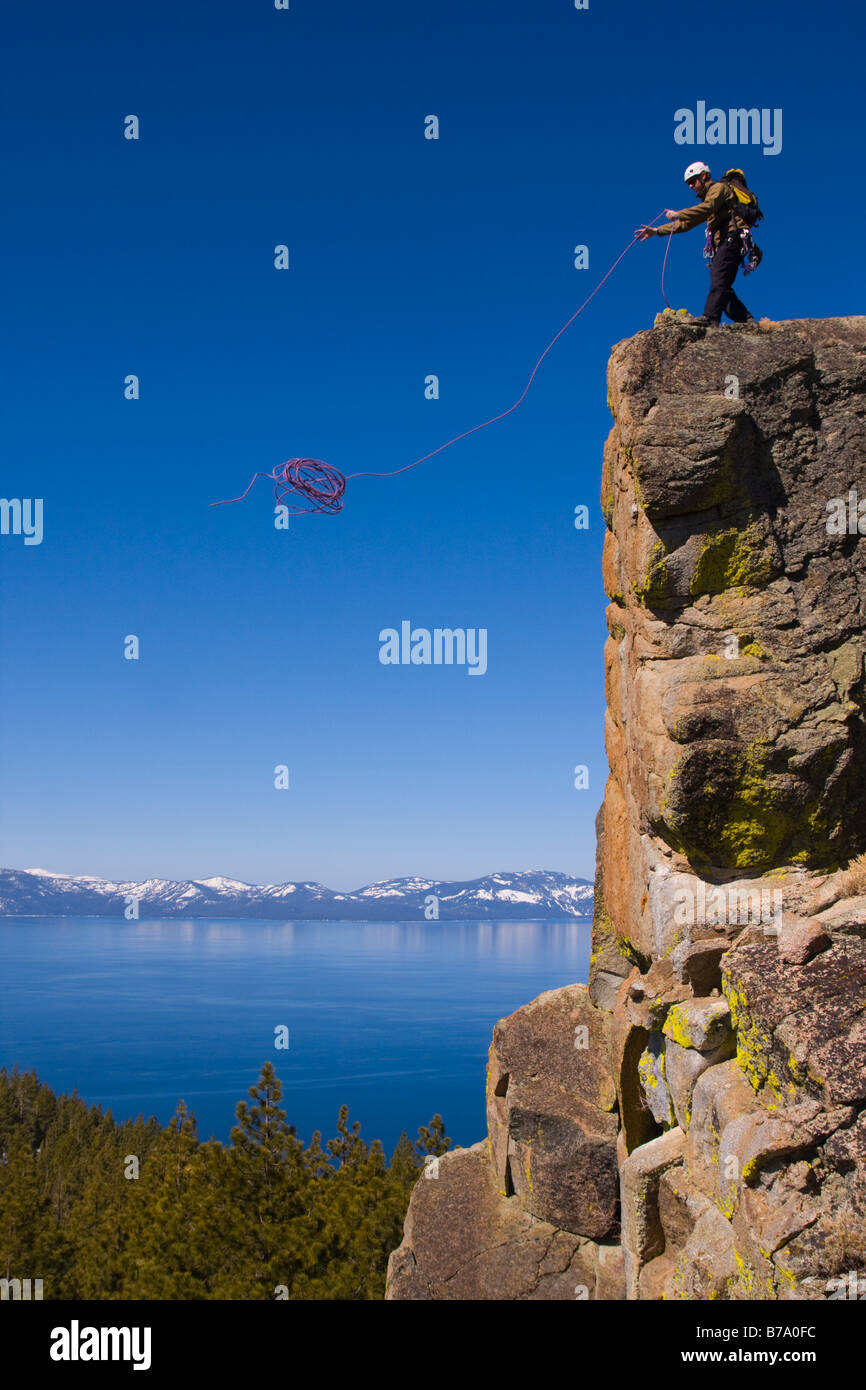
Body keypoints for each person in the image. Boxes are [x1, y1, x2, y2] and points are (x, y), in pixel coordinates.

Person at [636, 162, 757, 326]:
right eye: (689, 183)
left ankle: (710, 318)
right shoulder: (709, 197)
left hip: (733, 237)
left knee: (719, 279)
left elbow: (707, 208)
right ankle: (745, 319)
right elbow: (686, 224)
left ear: (704, 176)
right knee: (720, 280)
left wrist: (678, 214)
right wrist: (657, 231)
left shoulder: (718, 189)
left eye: (693, 181)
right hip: (727, 241)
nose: (691, 186)